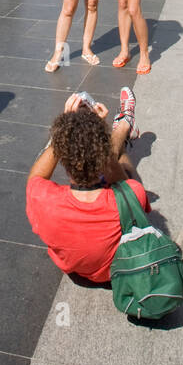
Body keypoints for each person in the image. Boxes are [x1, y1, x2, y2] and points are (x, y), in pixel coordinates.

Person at [26, 88, 145, 282]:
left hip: (75, 271)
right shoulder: (133, 196)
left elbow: (36, 176)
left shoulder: (42, 199)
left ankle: (122, 128)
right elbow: (123, 182)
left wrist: (63, 132)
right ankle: (122, 127)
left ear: (63, 160)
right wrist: (101, 130)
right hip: (119, 268)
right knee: (123, 161)